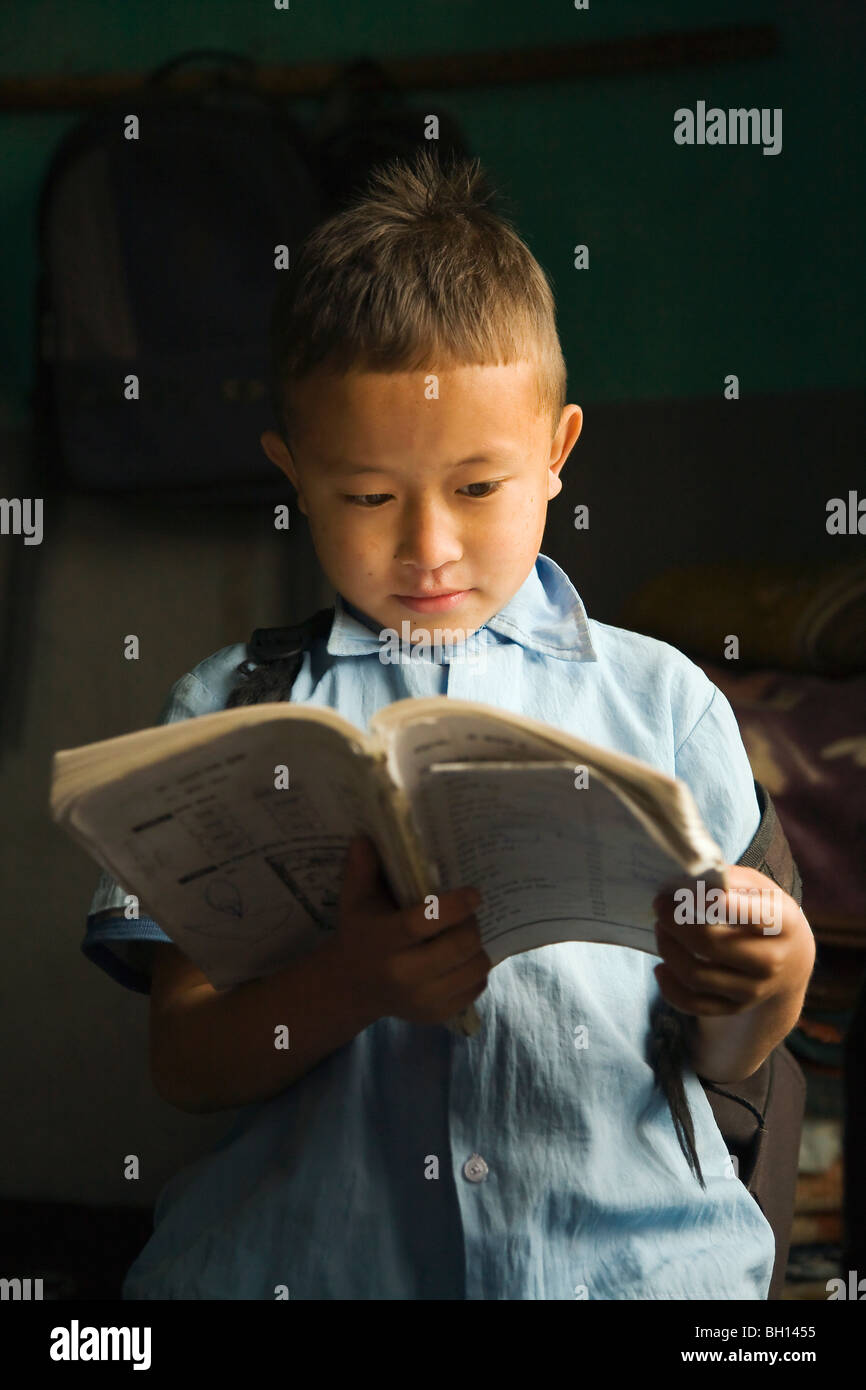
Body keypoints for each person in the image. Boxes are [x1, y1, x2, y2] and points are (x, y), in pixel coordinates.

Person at [82, 148, 814, 1300]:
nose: (426, 546)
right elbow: (188, 1061)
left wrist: (769, 982)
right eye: (367, 496)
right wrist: (350, 985)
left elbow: (719, 1061)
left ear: (557, 453)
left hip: (617, 1274)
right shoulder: (233, 710)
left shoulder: (663, 700)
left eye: (477, 488)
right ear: (294, 474)